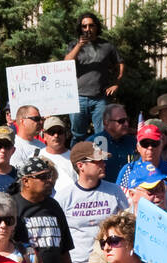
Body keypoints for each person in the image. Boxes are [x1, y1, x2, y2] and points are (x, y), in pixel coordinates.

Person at [65, 12, 123, 142]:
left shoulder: (107, 46)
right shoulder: (74, 45)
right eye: (84, 26)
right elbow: (66, 63)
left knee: (102, 135)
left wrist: (116, 83)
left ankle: (101, 161)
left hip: (99, 98)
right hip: (77, 97)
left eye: (91, 26)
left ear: (97, 27)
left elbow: (120, 64)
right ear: (80, 28)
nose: (88, 29)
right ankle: (77, 162)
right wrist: (79, 45)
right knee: (78, 135)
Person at [116, 123, 167, 190]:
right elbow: (120, 196)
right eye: (145, 144)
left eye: (154, 143)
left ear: (161, 145)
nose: (150, 147)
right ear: (138, 147)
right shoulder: (128, 170)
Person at [94, 104, 137, 183]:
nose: (126, 124)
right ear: (106, 122)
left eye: (127, 120)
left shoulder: (133, 142)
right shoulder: (96, 143)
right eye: (121, 121)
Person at [37, 117, 75, 183]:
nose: (56, 135)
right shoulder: (36, 157)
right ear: (44, 136)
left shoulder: (75, 157)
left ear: (65, 135)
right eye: (52, 132)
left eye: (60, 132)